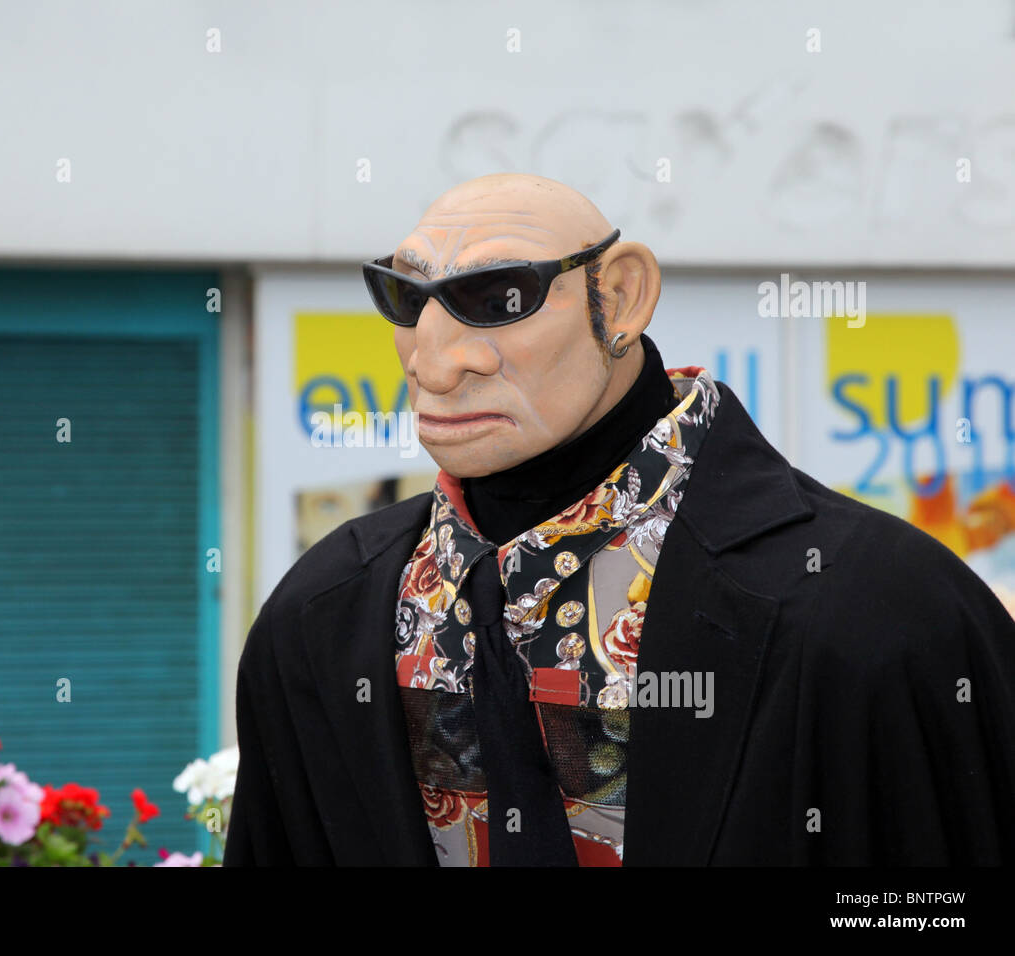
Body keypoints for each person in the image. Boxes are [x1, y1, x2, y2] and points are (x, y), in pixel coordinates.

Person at [224, 172, 1015, 866]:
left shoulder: (886, 610)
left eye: (500, 298)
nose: (433, 359)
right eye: (404, 296)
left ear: (622, 297)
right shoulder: (320, 618)